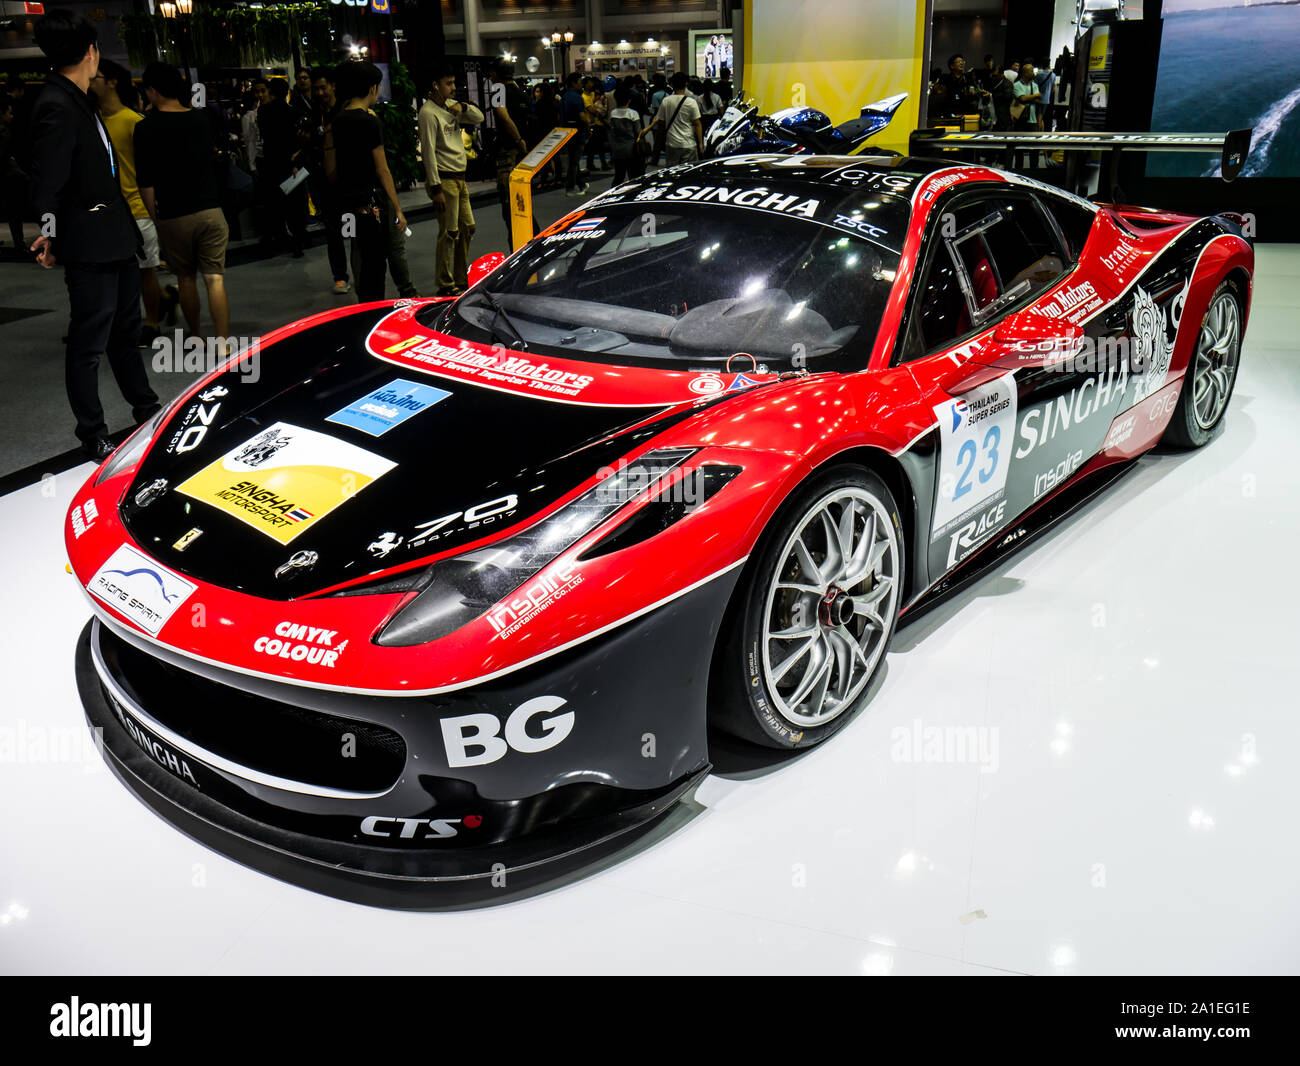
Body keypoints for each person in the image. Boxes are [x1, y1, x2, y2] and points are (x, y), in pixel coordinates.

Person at [28, 9, 158, 461]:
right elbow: (49, 179)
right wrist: (49, 234)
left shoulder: (77, 97)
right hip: (88, 241)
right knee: (88, 341)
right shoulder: (56, 103)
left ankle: (147, 410)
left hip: (115, 236)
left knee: (125, 332)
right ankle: (93, 432)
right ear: (91, 51)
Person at [135, 61, 231, 349]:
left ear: (152, 91)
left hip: (175, 213)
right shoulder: (200, 119)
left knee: (186, 278)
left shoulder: (145, 128)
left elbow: (146, 179)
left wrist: (154, 217)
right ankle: (224, 343)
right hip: (211, 210)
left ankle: (198, 338)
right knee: (215, 279)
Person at [92, 59, 162, 346]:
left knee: (146, 270)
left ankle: (152, 322)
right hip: (106, 211)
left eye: (96, 77)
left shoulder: (134, 122)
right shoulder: (92, 122)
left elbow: (153, 170)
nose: (90, 80)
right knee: (115, 273)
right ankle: (129, 319)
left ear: (112, 82)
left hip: (137, 207)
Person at [326, 60, 406, 302]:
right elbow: (382, 169)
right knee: (375, 263)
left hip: (347, 202)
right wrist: (398, 209)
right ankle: (373, 308)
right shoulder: (370, 122)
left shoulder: (337, 121)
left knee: (357, 252)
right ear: (372, 88)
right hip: (371, 203)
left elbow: (331, 169)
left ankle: (362, 303)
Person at [418, 61, 484, 296]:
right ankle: (446, 284)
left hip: (459, 178)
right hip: (444, 179)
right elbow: (428, 153)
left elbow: (479, 117)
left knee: (467, 227)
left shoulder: (450, 106)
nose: (453, 87)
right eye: (449, 84)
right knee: (449, 232)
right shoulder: (427, 113)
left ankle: (459, 277)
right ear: (435, 86)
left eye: (454, 83)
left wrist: (463, 107)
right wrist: (435, 188)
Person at [308, 66, 349, 294]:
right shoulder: (315, 112)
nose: (320, 93)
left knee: (353, 229)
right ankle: (340, 276)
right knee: (333, 232)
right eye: (317, 89)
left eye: (323, 87)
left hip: (347, 179)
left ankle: (359, 271)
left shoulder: (345, 110)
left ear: (332, 86)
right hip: (324, 181)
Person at [257, 77, 307, 257]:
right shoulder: (294, 112)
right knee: (295, 205)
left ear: (270, 92)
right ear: (287, 92)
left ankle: (279, 239)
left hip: (272, 162)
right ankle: (298, 241)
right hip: (291, 163)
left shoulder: (263, 112)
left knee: (275, 204)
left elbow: (263, 135)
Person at [489, 60, 531, 249]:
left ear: (496, 74)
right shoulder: (520, 91)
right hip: (523, 153)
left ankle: (518, 248)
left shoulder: (498, 89)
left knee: (510, 205)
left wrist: (517, 139)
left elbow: (502, 115)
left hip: (508, 152)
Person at [640, 71, 702, 166]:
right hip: (689, 144)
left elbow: (661, 122)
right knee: (688, 174)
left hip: (672, 144)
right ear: (686, 83)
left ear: (672, 84)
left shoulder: (666, 101)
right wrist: (700, 144)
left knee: (672, 173)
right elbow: (697, 124)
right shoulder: (691, 102)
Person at [0, 96, 28, 255]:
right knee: (15, 213)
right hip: (8, 179)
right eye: (9, 113)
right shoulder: (4, 133)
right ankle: (19, 243)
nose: (11, 116)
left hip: (8, 177)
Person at [558, 71, 589, 196]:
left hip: (566, 132)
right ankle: (570, 188)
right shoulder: (577, 98)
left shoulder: (564, 97)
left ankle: (581, 184)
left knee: (572, 159)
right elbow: (582, 117)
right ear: (574, 83)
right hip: (577, 133)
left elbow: (559, 116)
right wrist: (588, 128)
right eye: (580, 82)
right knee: (574, 162)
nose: (581, 85)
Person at [607, 85, 645, 186]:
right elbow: (639, 132)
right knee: (633, 176)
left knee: (619, 176)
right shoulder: (633, 113)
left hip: (617, 149)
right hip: (631, 149)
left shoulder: (613, 113)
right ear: (629, 99)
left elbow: (612, 130)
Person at [1013, 61, 1042, 130]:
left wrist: (1027, 98)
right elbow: (1022, 98)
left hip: (1032, 119)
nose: (1033, 73)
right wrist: (1035, 95)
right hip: (1020, 119)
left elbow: (1038, 100)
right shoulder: (1016, 85)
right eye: (1031, 71)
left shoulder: (1034, 85)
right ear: (1025, 73)